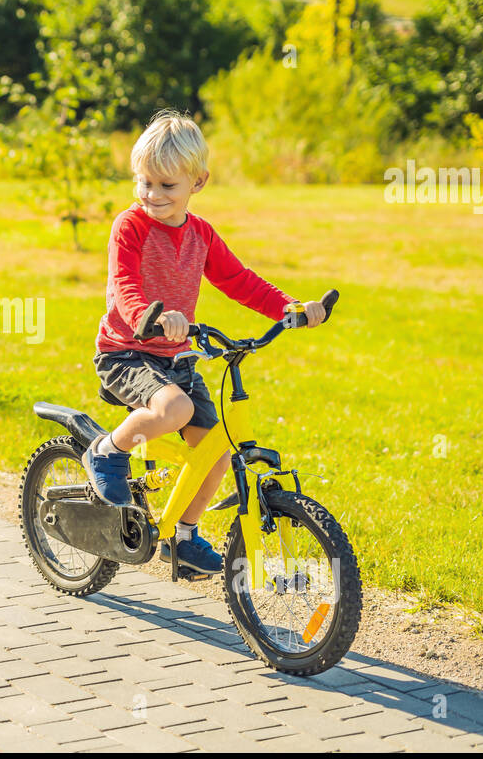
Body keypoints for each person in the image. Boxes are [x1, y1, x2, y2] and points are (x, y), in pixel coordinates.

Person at [85, 109, 327, 576]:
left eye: (166, 186)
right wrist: (151, 318)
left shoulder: (200, 234)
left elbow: (239, 280)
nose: (152, 195)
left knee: (217, 447)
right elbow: (125, 285)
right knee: (173, 410)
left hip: (176, 359)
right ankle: (106, 452)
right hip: (127, 352)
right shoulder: (129, 226)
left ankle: (184, 535)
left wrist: (289, 308)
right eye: (144, 183)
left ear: (197, 183)